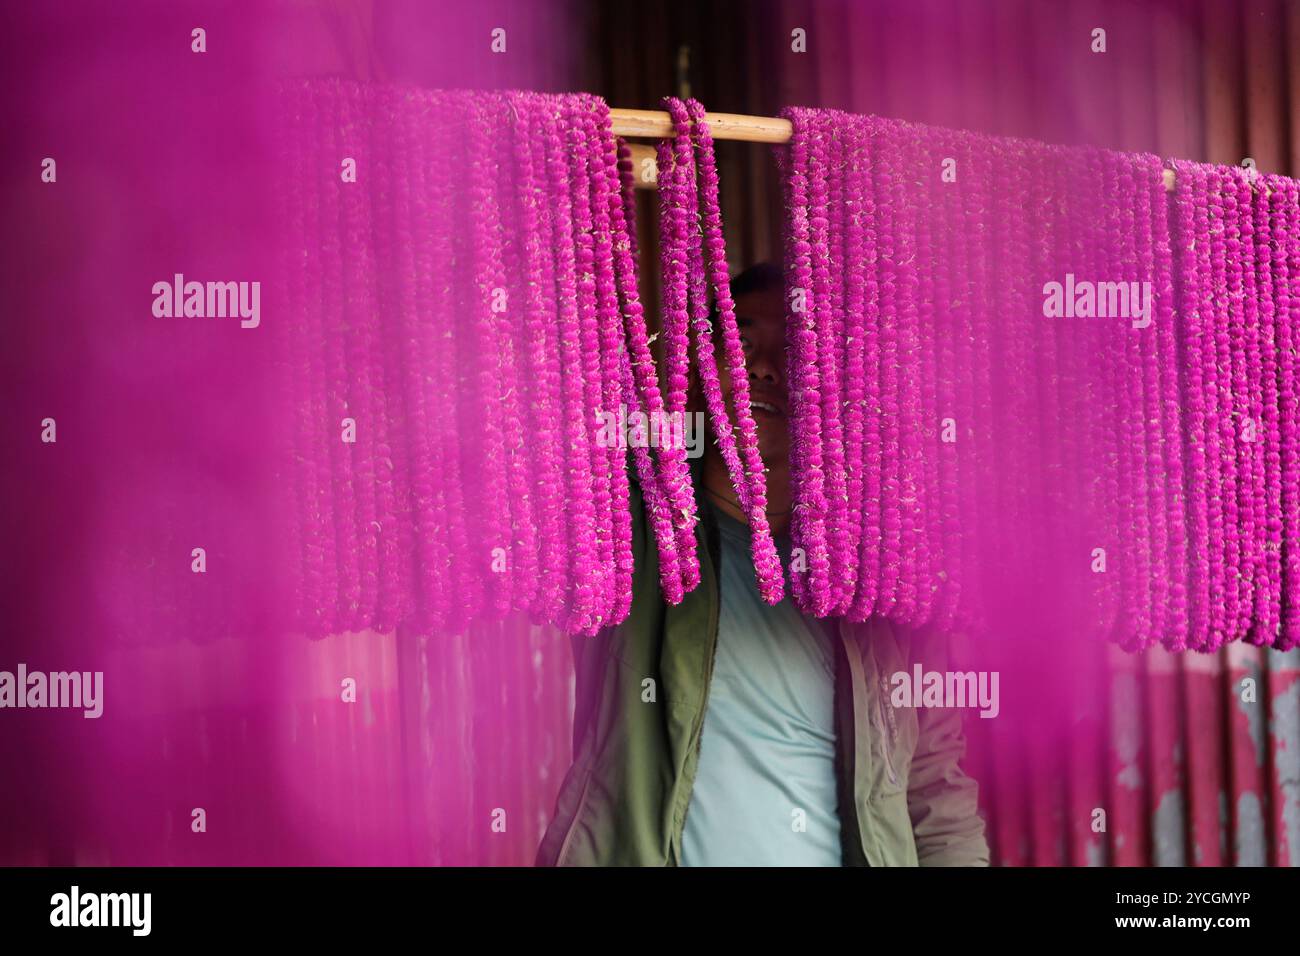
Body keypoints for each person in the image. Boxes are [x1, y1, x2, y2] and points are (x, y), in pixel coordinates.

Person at [536, 263, 989, 866]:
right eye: (741, 342)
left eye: (794, 349)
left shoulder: (881, 580)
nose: (765, 367)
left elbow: (934, 786)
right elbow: (547, 392)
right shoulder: (631, 536)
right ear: (699, 370)